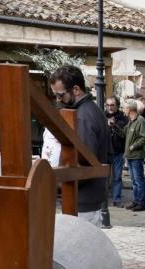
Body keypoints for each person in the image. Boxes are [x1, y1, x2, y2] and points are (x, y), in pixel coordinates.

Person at [50, 65, 110, 227]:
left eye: (60, 95)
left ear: (76, 90)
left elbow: (83, 161)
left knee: (81, 249)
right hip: (89, 196)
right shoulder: (93, 110)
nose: (58, 100)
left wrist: (58, 184)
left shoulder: (83, 116)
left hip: (83, 199)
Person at [121, 99, 145, 212]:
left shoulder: (140, 120)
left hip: (137, 155)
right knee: (134, 180)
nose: (123, 109)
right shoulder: (130, 121)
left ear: (130, 109)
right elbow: (123, 134)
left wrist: (133, 146)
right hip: (130, 155)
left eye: (124, 107)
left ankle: (142, 203)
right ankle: (137, 201)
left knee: (138, 180)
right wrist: (114, 127)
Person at [104, 97, 128, 206]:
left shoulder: (122, 117)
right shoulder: (102, 116)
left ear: (117, 105)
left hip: (118, 151)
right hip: (105, 151)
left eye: (112, 105)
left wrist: (114, 126)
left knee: (117, 177)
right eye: (108, 105)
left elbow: (123, 133)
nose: (110, 107)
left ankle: (116, 199)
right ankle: (102, 200)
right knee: (104, 177)